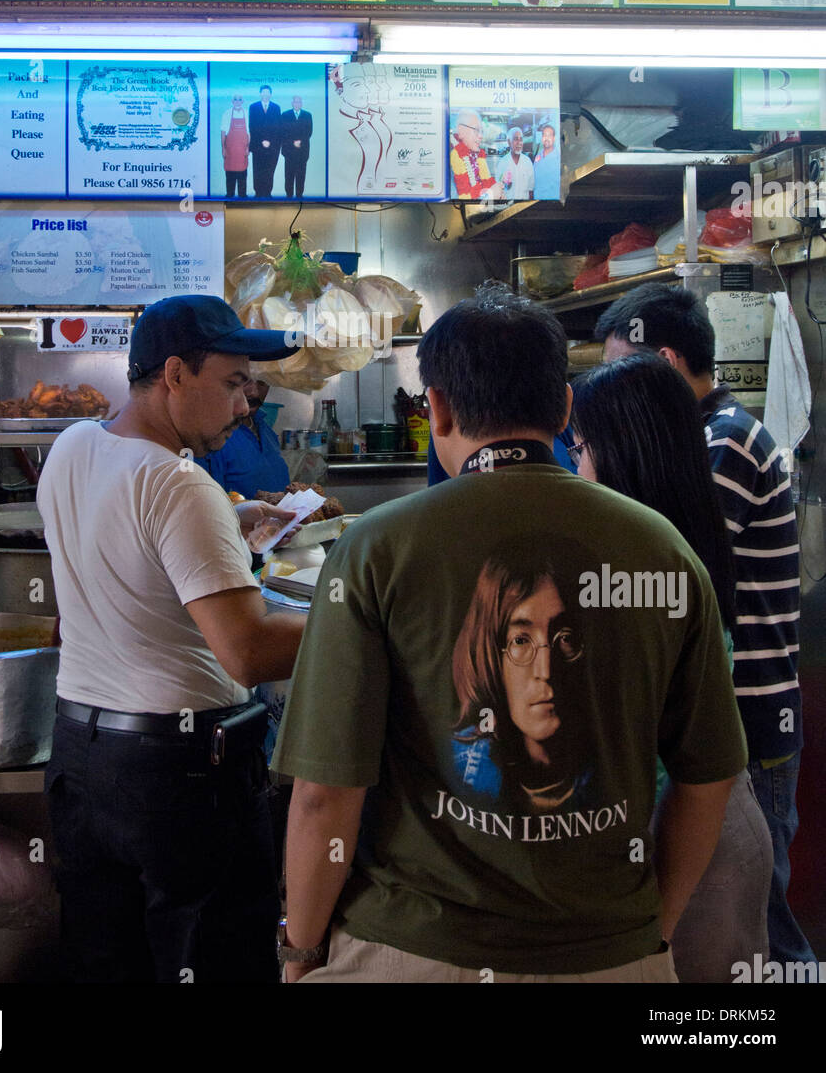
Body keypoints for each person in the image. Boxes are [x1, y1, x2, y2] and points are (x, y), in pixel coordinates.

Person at [273, 288, 745, 984]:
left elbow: (323, 795)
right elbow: (707, 780)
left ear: (435, 407)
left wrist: (301, 948)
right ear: (562, 407)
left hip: (414, 953)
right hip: (608, 953)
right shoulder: (662, 549)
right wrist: (652, 932)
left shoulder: (376, 549)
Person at [37, 295, 306, 983]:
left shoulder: (72, 446)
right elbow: (248, 650)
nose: (245, 405)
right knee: (220, 964)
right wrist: (369, 616)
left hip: (84, 760)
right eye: (232, 383)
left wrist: (233, 520)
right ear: (175, 374)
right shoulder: (180, 487)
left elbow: (120, 551)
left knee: (106, 965)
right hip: (181, 777)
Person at [593, 282, 815, 970]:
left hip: (747, 715)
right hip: (724, 714)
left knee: (755, 917)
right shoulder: (705, 434)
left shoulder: (726, 441)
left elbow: (667, 556)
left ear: (661, 362)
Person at [570, 352, 774, 982]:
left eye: (580, 447)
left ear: (621, 451)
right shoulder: (683, 542)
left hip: (688, 836)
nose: (575, 467)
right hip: (710, 823)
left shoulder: (646, 572)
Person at [451, 553, 594, 813]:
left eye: (565, 637)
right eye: (520, 640)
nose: (546, 670)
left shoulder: (615, 760)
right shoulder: (452, 766)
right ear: (490, 654)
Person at [198, 377, 290, 500]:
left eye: (262, 382)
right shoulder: (213, 436)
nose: (254, 392)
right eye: (246, 380)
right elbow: (205, 504)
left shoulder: (267, 431)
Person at [449, 110, 496, 199]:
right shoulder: (451, 158)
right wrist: (491, 194)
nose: (481, 136)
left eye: (482, 131)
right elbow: (462, 202)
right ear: (461, 131)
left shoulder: (475, 155)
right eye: (476, 130)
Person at [249, 84, 281, 198]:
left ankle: (268, 193)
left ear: (270, 94)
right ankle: (258, 193)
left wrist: (270, 141)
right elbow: (252, 126)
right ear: (260, 94)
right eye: (263, 92)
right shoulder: (253, 107)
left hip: (272, 146)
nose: (266, 95)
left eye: (268, 93)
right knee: (257, 169)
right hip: (258, 145)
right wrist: (262, 140)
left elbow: (277, 127)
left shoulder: (276, 108)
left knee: (269, 170)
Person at [280, 94, 313, 200]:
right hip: (289, 151)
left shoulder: (308, 115)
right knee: (289, 175)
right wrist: (292, 142)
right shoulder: (285, 115)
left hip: (302, 151)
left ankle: (299, 196)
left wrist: (300, 141)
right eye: (295, 102)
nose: (297, 103)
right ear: (292, 103)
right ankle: (288, 196)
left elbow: (309, 132)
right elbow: (283, 132)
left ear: (301, 103)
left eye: (299, 102)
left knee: (301, 175)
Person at [220, 93, 249, 199]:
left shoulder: (247, 113)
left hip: (242, 151)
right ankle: (229, 197)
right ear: (232, 101)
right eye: (235, 99)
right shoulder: (227, 114)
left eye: (239, 99)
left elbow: (249, 133)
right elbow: (223, 133)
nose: (237, 101)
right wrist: (223, 148)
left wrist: (248, 147)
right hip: (230, 151)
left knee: (242, 176)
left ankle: (243, 198)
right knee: (230, 177)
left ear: (242, 101)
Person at [499, 125, 535, 200]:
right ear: (509, 142)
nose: (519, 143)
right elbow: (498, 190)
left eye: (521, 139)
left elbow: (531, 191)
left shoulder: (528, 162)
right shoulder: (502, 163)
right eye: (516, 139)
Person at [531, 120, 560, 200]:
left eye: (549, 135)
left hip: (553, 203)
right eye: (544, 135)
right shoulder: (538, 156)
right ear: (541, 138)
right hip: (537, 201)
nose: (546, 138)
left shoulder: (559, 158)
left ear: (554, 138)